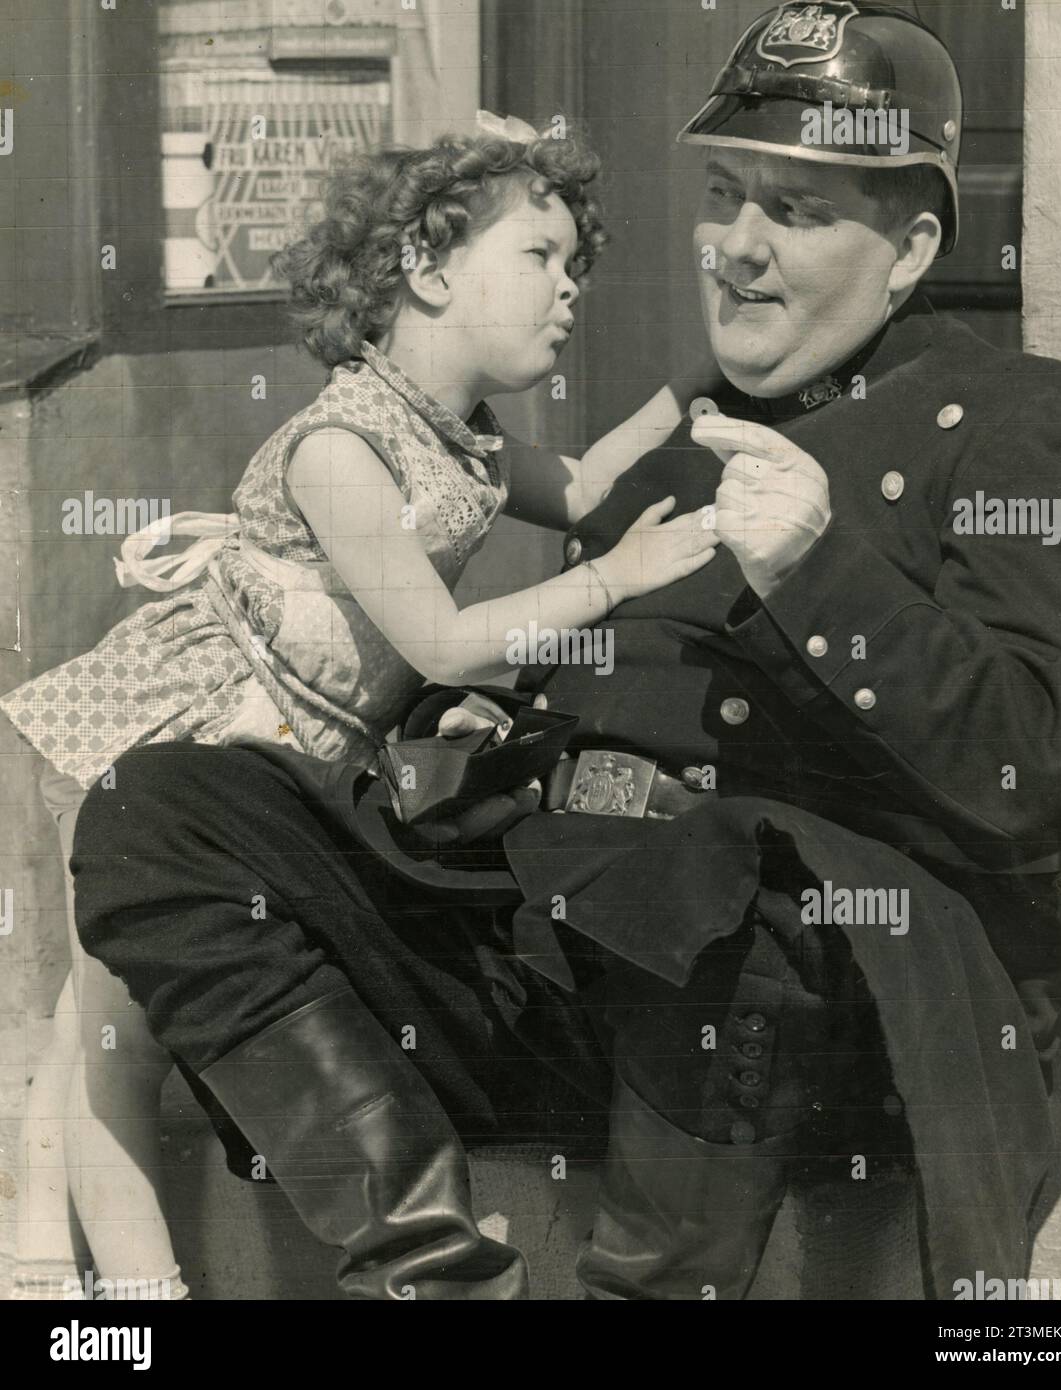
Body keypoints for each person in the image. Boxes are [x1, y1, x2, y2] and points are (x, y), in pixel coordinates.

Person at [69, 2, 1061, 1300]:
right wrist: (474, 723)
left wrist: (819, 570)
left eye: (791, 213)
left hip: (819, 999)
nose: (732, 249)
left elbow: (1052, 767)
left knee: (724, 862)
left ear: (909, 250)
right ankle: (430, 1266)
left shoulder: (1027, 423)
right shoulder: (693, 428)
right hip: (564, 937)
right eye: (725, 194)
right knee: (158, 804)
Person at [1, 114, 720, 1299]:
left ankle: (49, 1269)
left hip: (287, 771)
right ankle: (119, 1294)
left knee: (106, 1029)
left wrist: (719, 368)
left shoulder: (469, 444)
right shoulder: (340, 446)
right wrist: (615, 579)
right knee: (117, 1043)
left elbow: (589, 483)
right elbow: (436, 638)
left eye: (576, 267)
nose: (569, 292)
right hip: (189, 739)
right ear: (428, 271)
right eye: (541, 258)